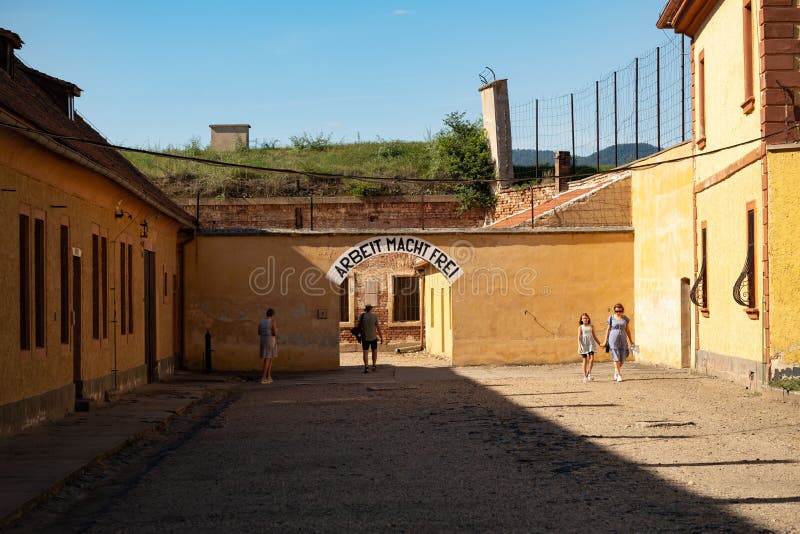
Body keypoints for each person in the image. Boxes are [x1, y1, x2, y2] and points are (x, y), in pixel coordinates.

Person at [602, 303, 634, 382]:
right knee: (616, 356)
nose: (618, 312)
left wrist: (631, 341)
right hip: (613, 339)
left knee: (623, 357)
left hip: (623, 339)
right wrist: (605, 341)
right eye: (616, 311)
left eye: (620, 311)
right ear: (614, 311)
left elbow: (628, 330)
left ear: (622, 310)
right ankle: (619, 375)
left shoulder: (625, 318)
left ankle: (616, 370)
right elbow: (608, 330)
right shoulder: (611, 318)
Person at [359, 304, 383, 373]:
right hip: (373, 337)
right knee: (374, 351)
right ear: (371, 309)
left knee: (365, 352)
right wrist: (381, 337)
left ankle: (366, 367)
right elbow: (378, 328)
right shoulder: (374, 316)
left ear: (365, 309)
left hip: (365, 337)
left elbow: (359, 326)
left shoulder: (362, 316)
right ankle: (374, 365)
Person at [578, 312, 601, 383]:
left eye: (586, 318)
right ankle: (585, 376)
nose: (585, 319)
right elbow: (579, 337)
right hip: (583, 344)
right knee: (584, 360)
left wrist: (600, 344)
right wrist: (579, 346)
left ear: (588, 319)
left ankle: (589, 373)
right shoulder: (580, 327)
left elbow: (594, 336)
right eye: (583, 318)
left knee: (592, 359)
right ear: (581, 320)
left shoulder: (591, 326)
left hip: (591, 343)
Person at [258, 308, 277, 384]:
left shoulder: (261, 321)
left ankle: (268, 376)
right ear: (272, 315)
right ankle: (263, 377)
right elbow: (275, 333)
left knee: (269, 358)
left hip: (263, 339)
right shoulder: (272, 321)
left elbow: (259, 332)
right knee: (268, 359)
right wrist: (275, 331)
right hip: (270, 340)